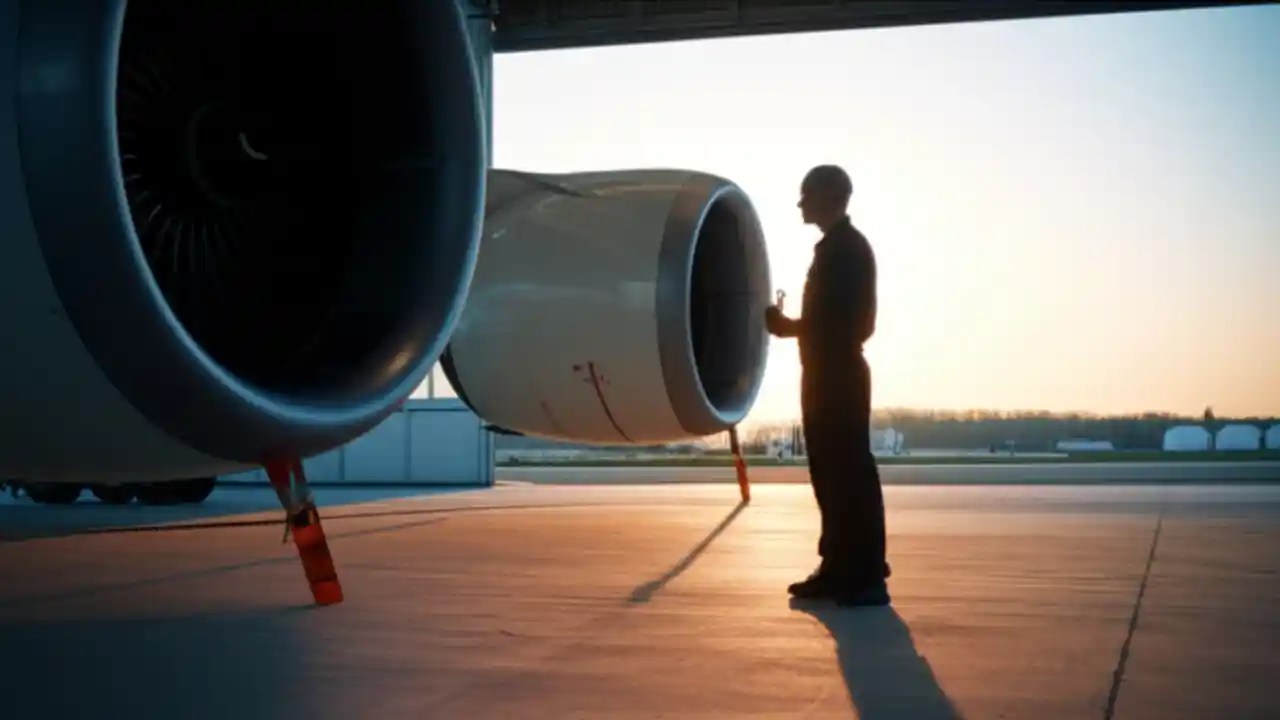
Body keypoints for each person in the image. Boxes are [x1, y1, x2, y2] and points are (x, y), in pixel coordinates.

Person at [765, 164, 889, 607]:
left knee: (848, 473)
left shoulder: (846, 250)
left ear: (829, 197)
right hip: (823, 374)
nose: (800, 203)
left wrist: (788, 328)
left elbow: (851, 324)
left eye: (806, 194)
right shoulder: (836, 248)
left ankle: (867, 574)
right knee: (829, 473)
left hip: (837, 376)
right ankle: (839, 567)